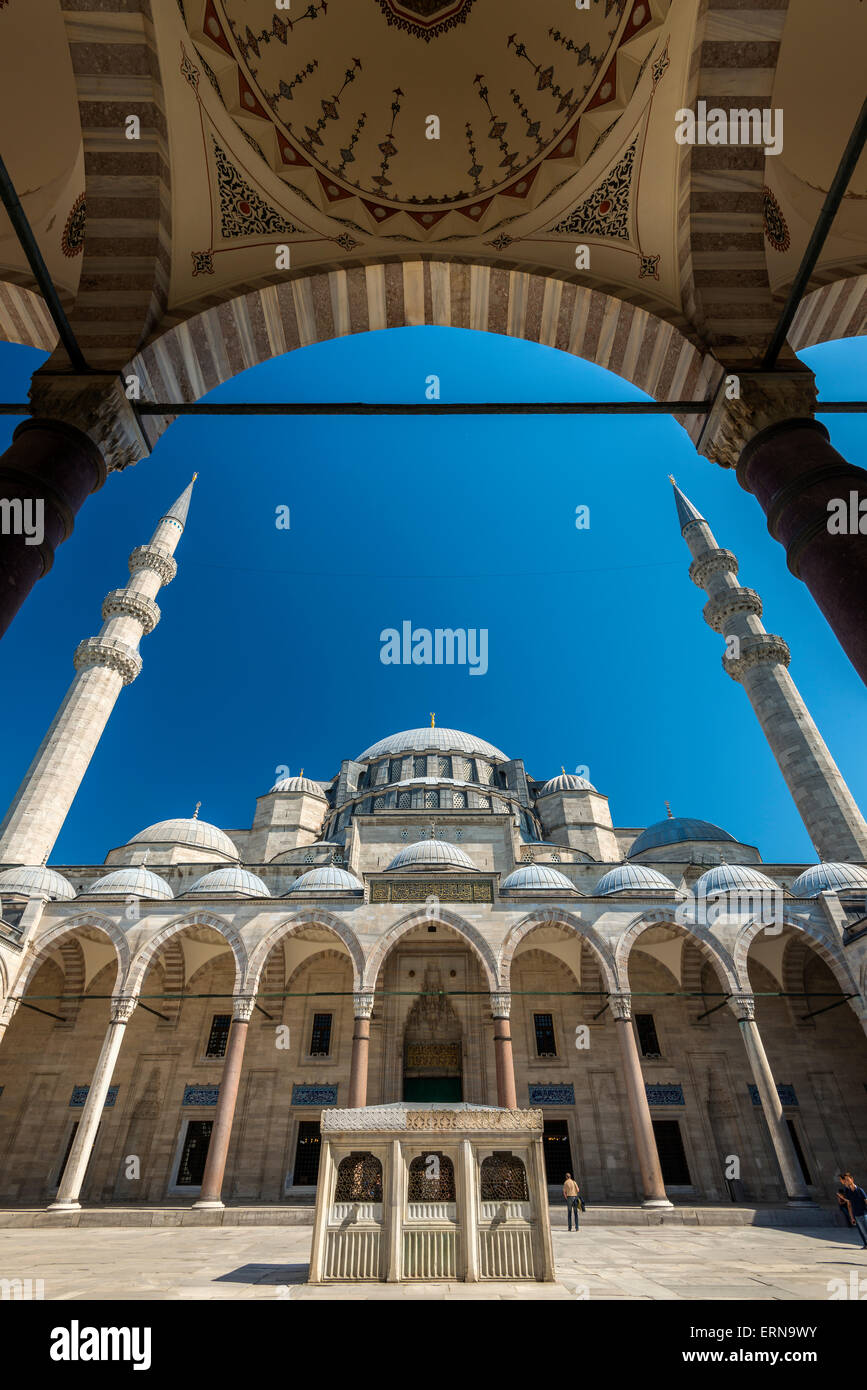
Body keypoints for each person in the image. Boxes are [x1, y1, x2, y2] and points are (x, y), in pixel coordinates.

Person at [839, 1173, 867, 1248]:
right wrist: (851, 1217)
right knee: (863, 1232)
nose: (847, 1182)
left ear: (852, 1180)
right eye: (846, 1181)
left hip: (864, 1214)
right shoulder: (848, 1192)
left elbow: (866, 1201)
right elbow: (849, 1205)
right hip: (856, 1215)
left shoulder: (860, 1190)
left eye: (848, 1180)